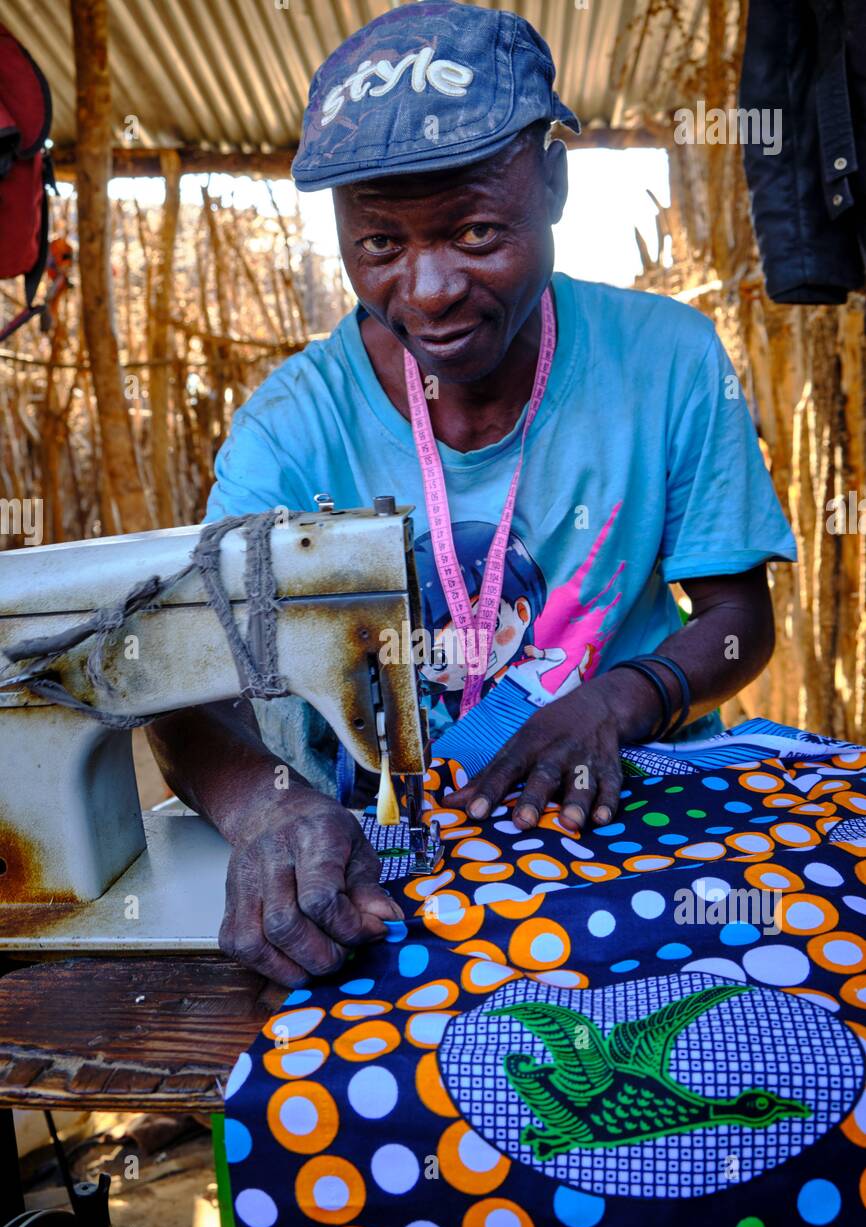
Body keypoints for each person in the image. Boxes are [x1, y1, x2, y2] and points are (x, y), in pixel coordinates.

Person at [147, 1, 797, 990]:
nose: (432, 285)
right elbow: (190, 689)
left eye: (476, 230)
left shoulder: (666, 362)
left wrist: (624, 698)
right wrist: (266, 809)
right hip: (379, 870)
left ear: (553, 184)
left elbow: (736, 619)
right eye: (379, 248)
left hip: (628, 821)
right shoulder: (291, 428)